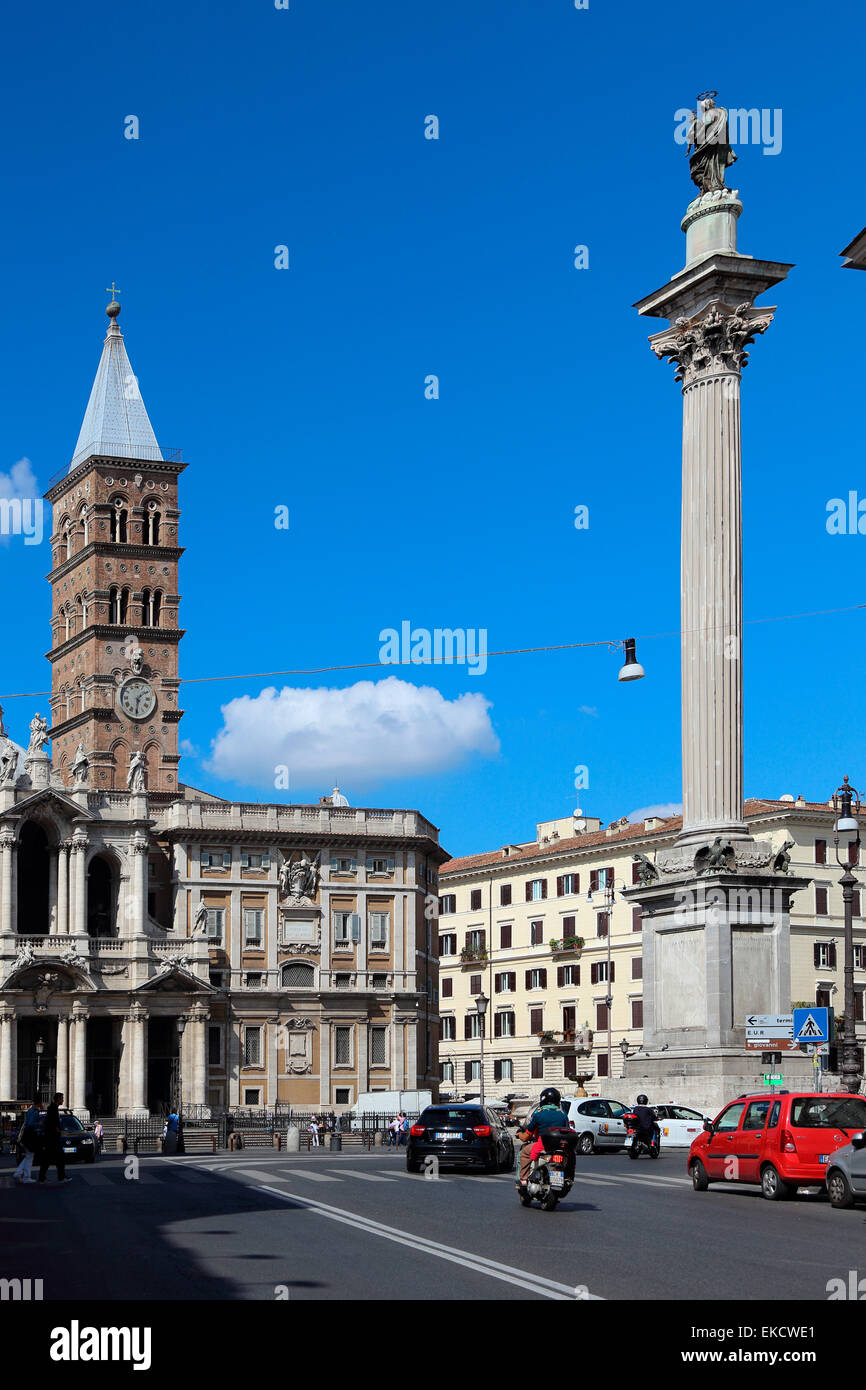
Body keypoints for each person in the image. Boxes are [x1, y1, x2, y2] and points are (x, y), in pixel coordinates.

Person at [516, 1087, 572, 1192]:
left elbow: (526, 1137)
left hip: (543, 1146)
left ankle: (523, 1180)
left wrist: (519, 1135)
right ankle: (568, 1178)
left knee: (523, 1153)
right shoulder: (563, 1114)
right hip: (560, 1147)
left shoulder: (538, 1114)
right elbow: (568, 1130)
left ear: (543, 1099)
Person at [38, 1092, 71, 1185]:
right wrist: (57, 1130)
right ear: (58, 1099)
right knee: (56, 1159)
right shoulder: (52, 1109)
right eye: (62, 1098)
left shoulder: (53, 1108)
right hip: (52, 1139)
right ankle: (59, 1177)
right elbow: (51, 1122)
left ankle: (45, 1177)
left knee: (51, 1159)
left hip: (52, 1138)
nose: (63, 1100)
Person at [13, 1098, 41, 1184]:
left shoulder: (29, 1110)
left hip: (26, 1136)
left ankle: (18, 1173)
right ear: (39, 1103)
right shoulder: (35, 1112)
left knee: (28, 1156)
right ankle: (26, 1177)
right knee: (30, 1156)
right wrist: (39, 1124)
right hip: (30, 1136)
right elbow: (31, 1124)